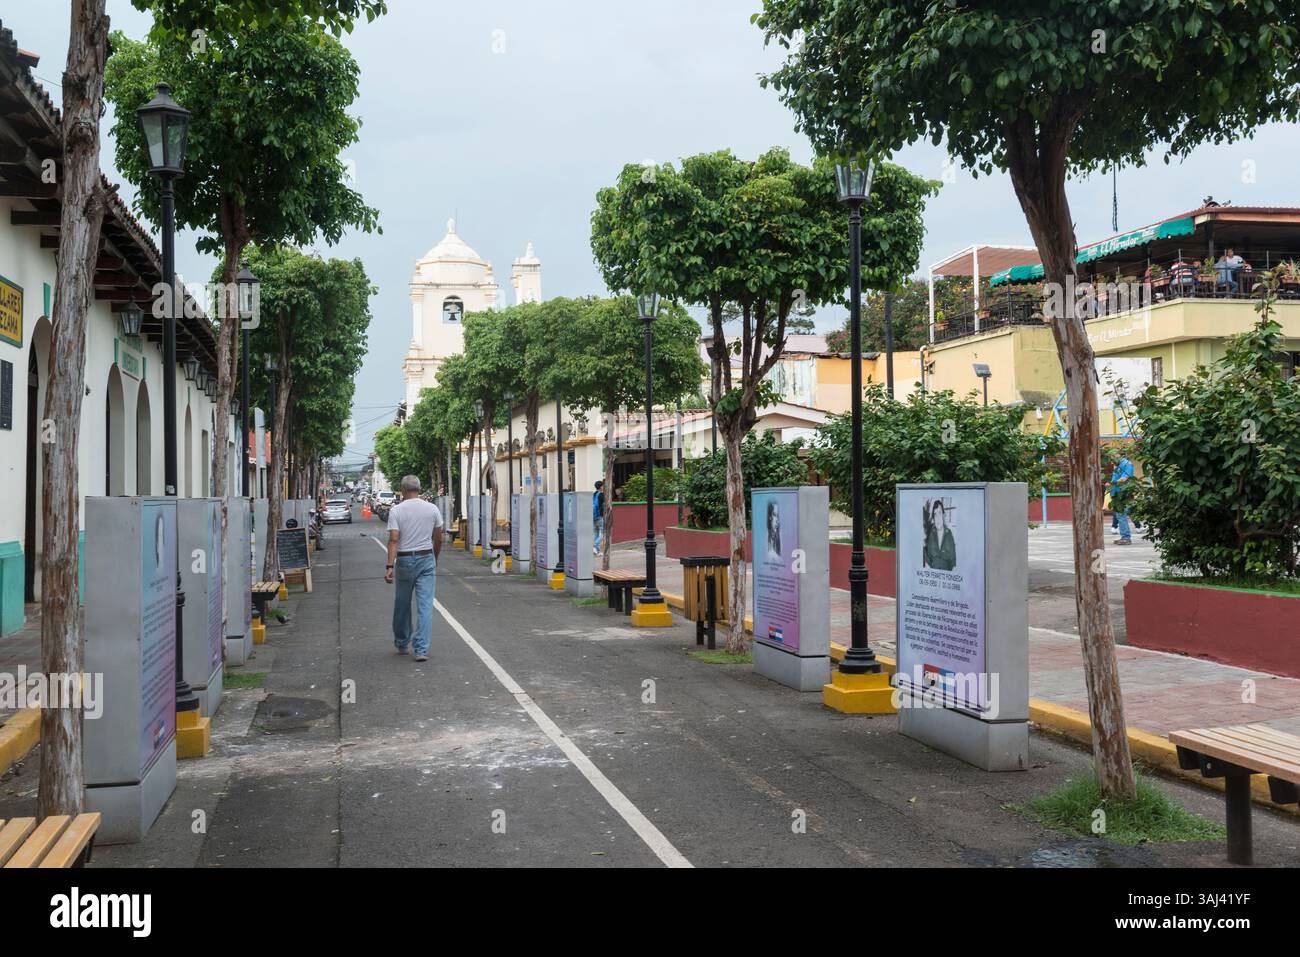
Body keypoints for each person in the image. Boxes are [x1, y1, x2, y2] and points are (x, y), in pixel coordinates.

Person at [385, 474, 443, 662]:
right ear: (419, 489)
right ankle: (421, 650)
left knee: (402, 603)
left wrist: (389, 566)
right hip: (427, 557)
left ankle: (402, 643)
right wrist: (435, 557)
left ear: (402, 491)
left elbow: (394, 539)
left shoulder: (396, 510)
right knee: (425, 606)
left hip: (404, 560)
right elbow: (438, 537)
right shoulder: (432, 509)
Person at [1109, 454, 1136, 545]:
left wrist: (1113, 483)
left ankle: (1126, 537)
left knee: (1121, 514)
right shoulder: (1119, 465)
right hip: (1117, 493)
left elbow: (1125, 478)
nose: (1111, 461)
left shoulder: (1127, 464)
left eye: (1112, 459)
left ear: (1118, 456)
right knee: (1122, 514)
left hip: (1123, 494)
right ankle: (1125, 536)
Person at [923, 500, 956, 571]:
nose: (937, 518)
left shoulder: (949, 534)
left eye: (939, 513)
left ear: (943, 516)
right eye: (935, 514)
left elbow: (954, 563)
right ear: (933, 518)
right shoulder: (932, 534)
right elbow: (928, 560)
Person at [592, 480, 605, 556]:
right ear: (600, 487)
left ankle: (597, 551)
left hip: (593, 516)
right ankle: (595, 546)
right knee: (603, 534)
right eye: (603, 485)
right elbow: (602, 506)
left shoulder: (594, 494)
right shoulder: (601, 495)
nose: (603, 487)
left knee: (596, 534)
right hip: (599, 516)